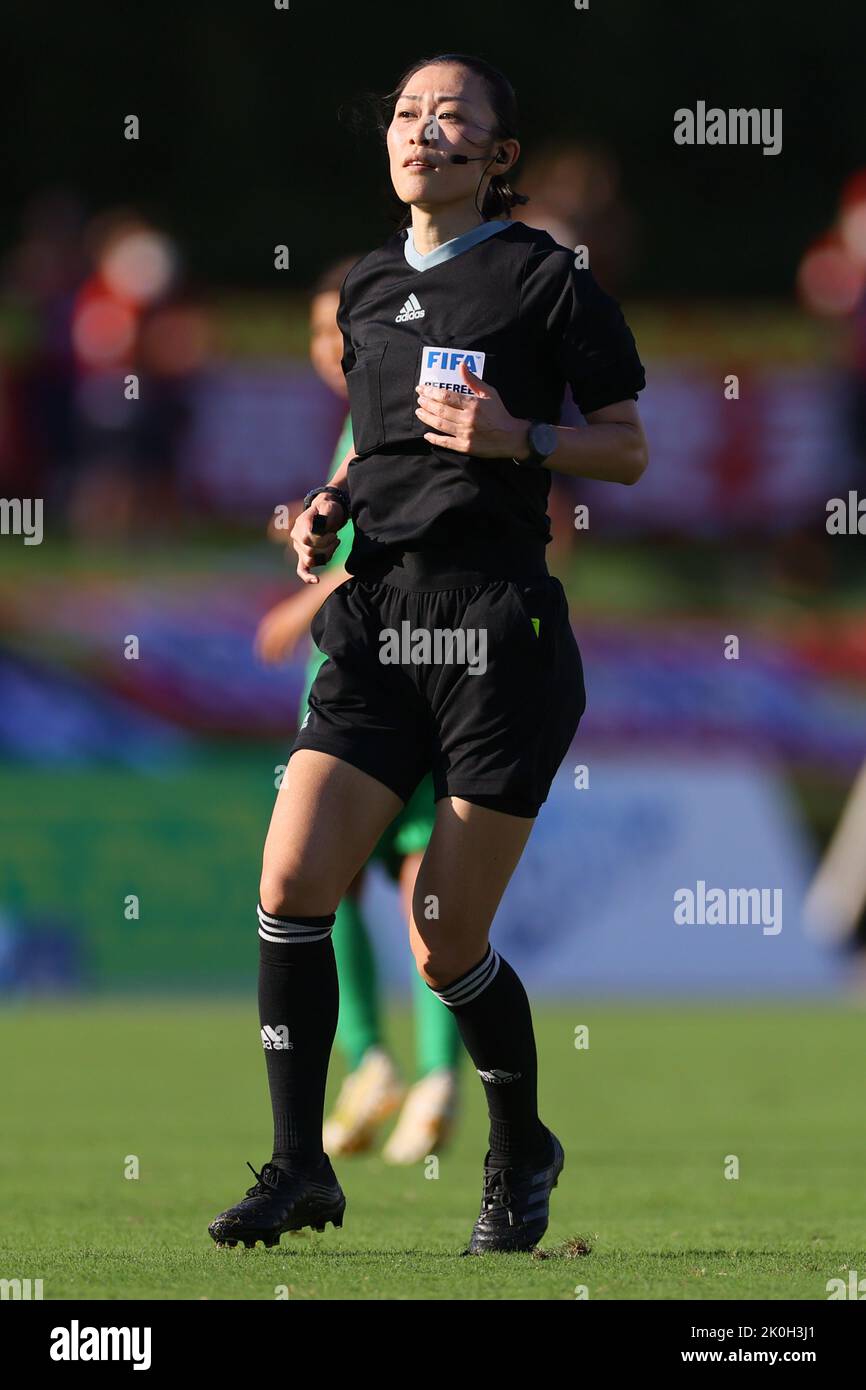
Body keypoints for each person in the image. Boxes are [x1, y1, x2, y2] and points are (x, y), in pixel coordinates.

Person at [209, 52, 647, 1255]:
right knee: (291, 884)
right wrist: (325, 509)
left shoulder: (545, 281)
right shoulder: (360, 285)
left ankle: (521, 1152)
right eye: (407, 111)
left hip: (494, 632)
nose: (424, 129)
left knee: (443, 938)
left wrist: (521, 435)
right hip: (375, 621)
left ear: (498, 155)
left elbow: (625, 447)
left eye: (455, 115)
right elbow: (375, 450)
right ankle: (301, 1165)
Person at [255, 261, 462, 1163]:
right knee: (370, 881)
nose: (324, 352)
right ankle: (401, 1070)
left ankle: (404, 1066)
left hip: (381, 673)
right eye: (314, 335)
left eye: (334, 333)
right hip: (388, 666)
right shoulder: (373, 411)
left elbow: (397, 544)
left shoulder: (392, 408)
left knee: (367, 881)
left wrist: (296, 606)